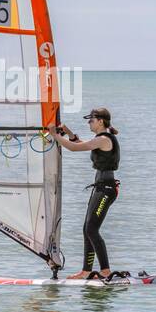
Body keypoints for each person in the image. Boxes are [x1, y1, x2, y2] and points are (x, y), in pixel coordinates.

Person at [49, 108, 120, 279]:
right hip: (100, 187)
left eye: (91, 120)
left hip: (106, 189)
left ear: (101, 121)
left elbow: (74, 148)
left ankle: (105, 271)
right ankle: (86, 271)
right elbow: (81, 143)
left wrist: (56, 136)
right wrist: (68, 132)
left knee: (92, 229)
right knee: (86, 229)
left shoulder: (104, 139)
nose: (89, 122)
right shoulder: (99, 140)